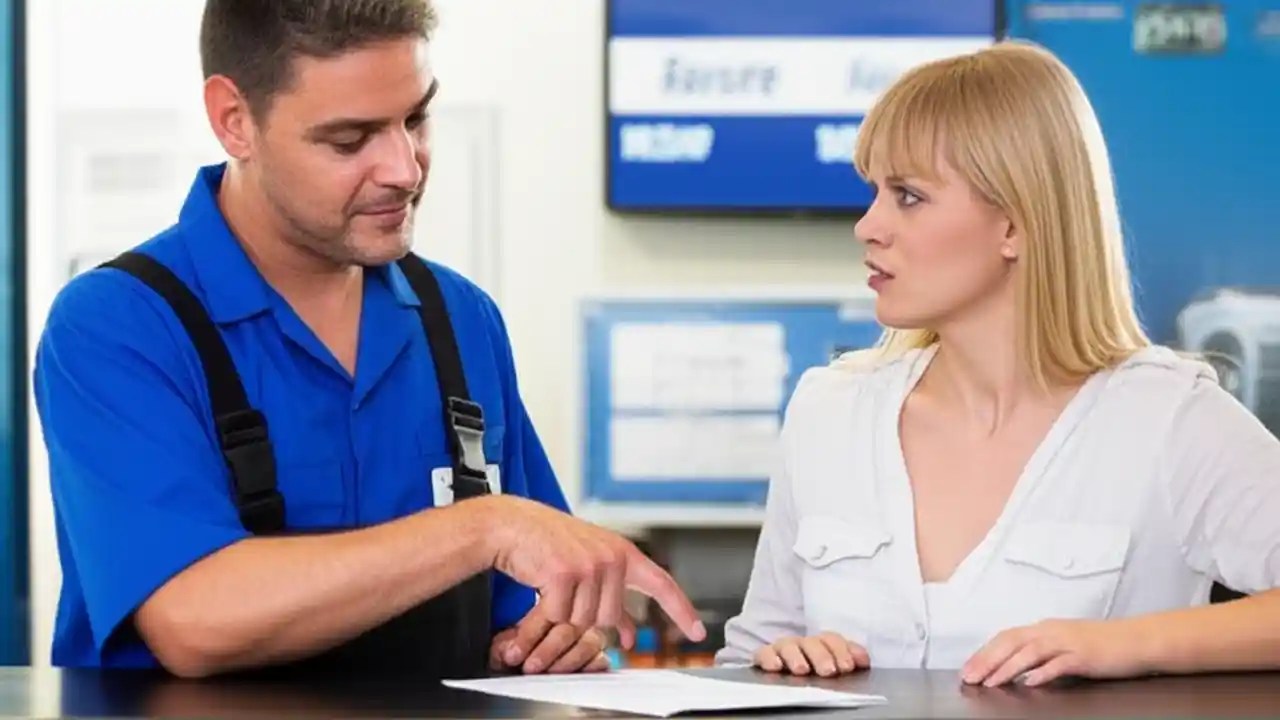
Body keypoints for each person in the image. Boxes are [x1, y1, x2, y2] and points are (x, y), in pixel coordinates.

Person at [34, 0, 704, 679]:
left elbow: (532, 600)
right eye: (350, 141)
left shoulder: (463, 321)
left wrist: (554, 636)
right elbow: (194, 621)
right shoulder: (117, 326)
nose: (404, 169)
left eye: (415, 119)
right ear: (235, 121)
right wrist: (485, 528)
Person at [715, 40, 1280, 687]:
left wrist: (1126, 645)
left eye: (908, 196)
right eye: (873, 192)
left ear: (1014, 224)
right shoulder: (826, 411)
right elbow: (752, 657)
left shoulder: (1169, 420)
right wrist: (782, 662)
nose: (867, 226)